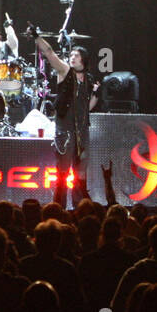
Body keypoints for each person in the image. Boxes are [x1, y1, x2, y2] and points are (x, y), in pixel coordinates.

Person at [32, 30, 99, 208]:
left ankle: (80, 208)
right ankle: (58, 208)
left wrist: (96, 95)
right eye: (71, 55)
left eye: (76, 55)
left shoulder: (89, 79)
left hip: (82, 132)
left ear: (84, 59)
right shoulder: (65, 71)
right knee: (62, 174)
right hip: (65, 132)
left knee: (80, 173)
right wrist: (37, 37)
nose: (72, 57)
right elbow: (50, 53)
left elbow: (87, 107)